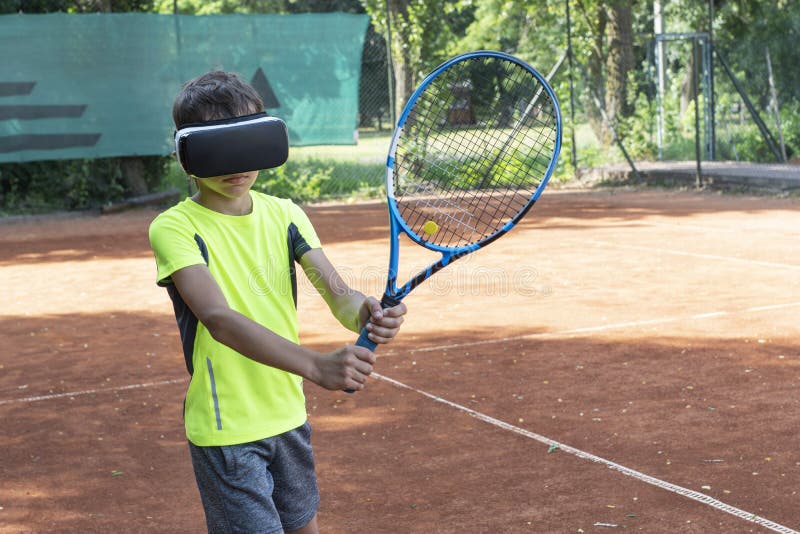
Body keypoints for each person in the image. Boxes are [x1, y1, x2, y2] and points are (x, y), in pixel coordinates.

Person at [148, 70, 407, 534]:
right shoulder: (174, 227)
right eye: (220, 149)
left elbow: (340, 296)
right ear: (185, 153)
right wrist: (315, 365)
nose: (238, 164)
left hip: (289, 415)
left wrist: (366, 310)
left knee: (303, 526)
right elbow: (218, 318)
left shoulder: (286, 214)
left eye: (249, 143)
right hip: (228, 427)